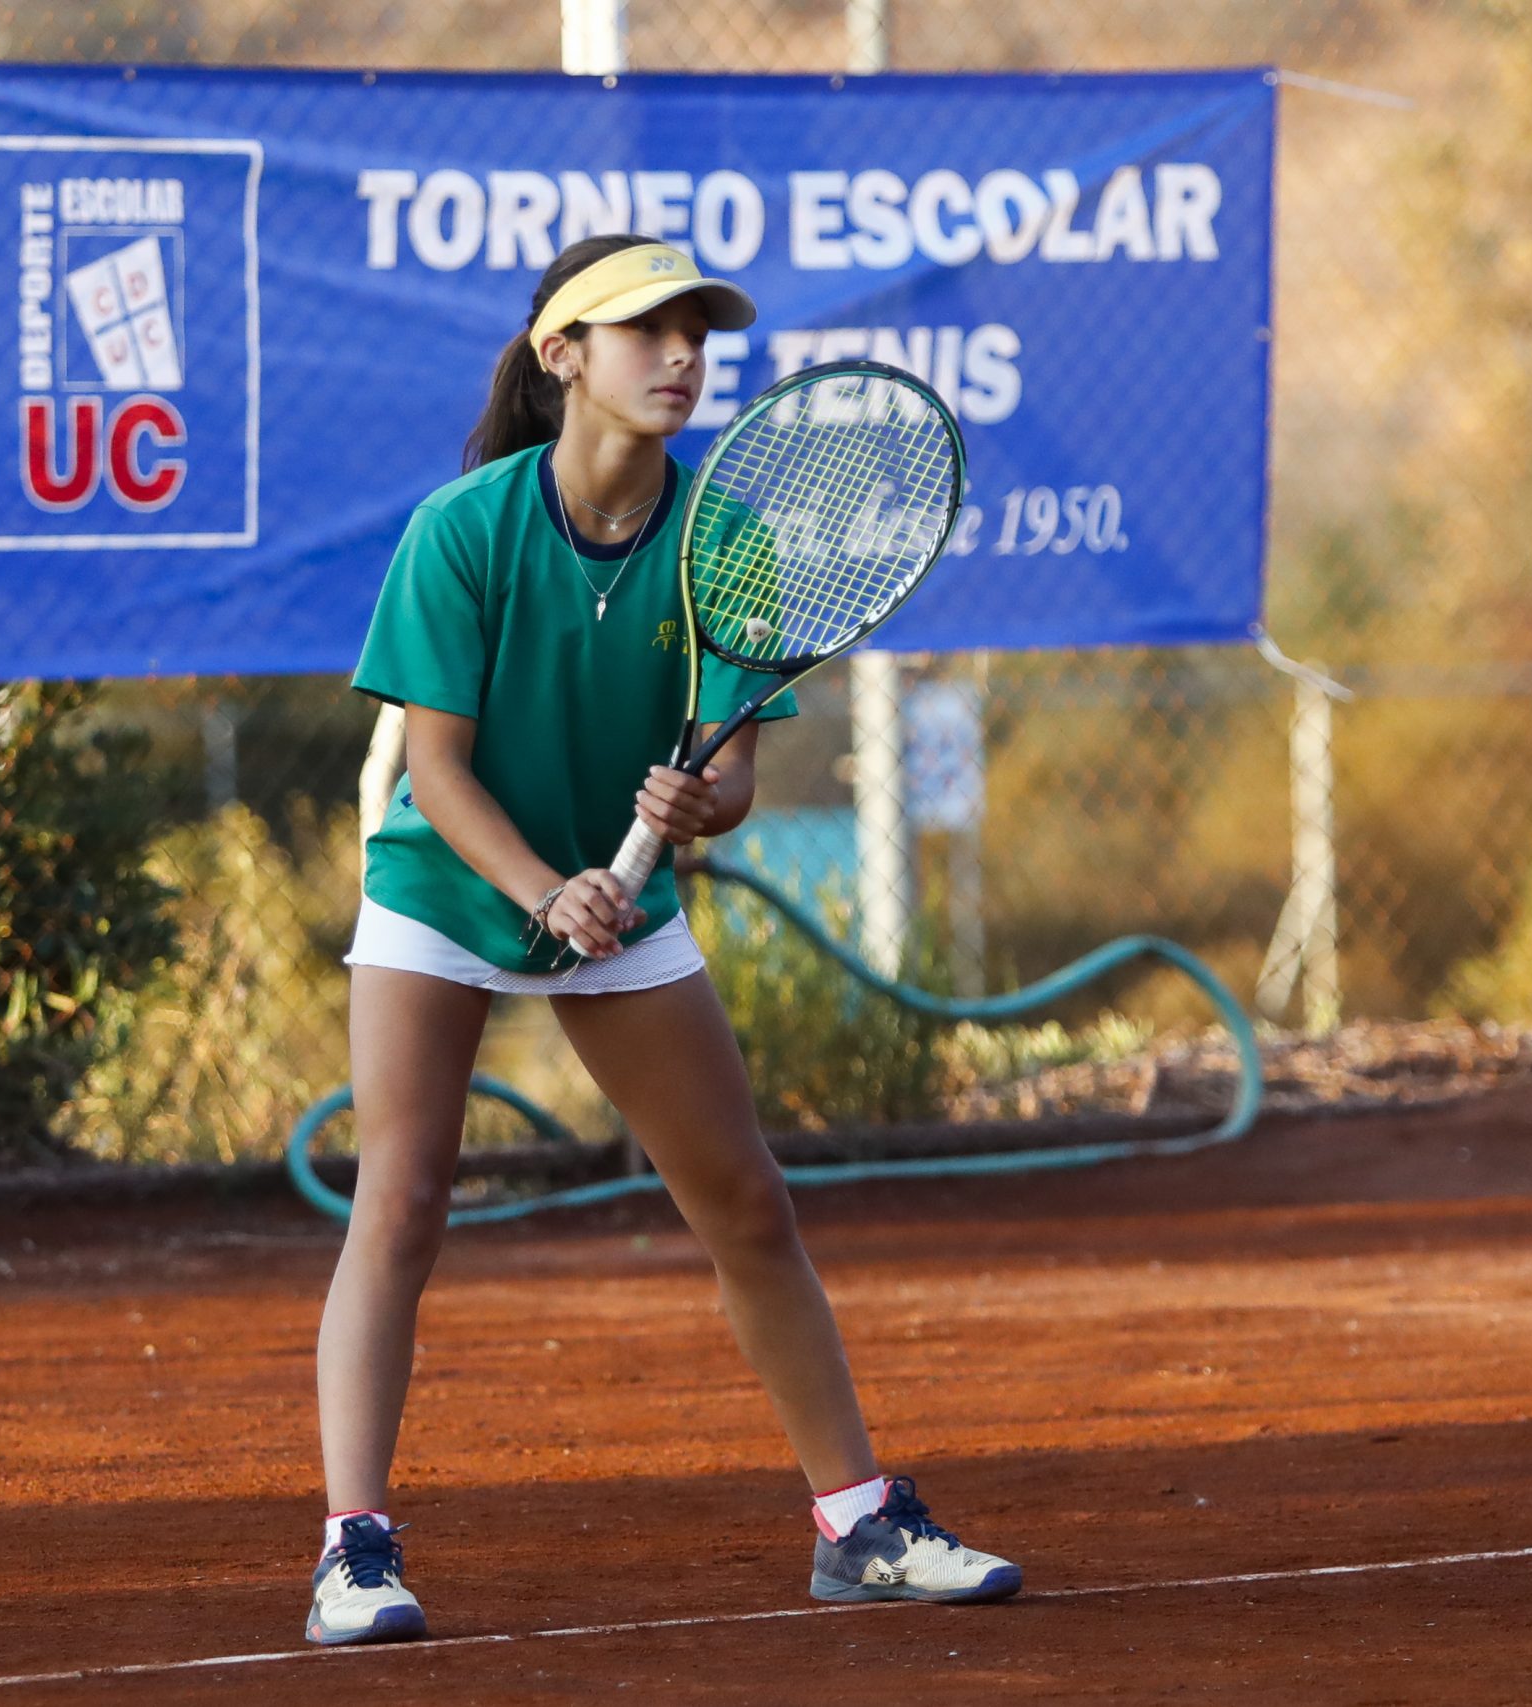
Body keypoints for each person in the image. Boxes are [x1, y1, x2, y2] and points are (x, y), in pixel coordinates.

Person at [306, 234, 1021, 1647]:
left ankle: (857, 1522)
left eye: (696, 332)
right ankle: (355, 1551)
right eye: (645, 331)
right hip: (449, 892)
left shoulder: (726, 538)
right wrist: (541, 891)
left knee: (746, 1201)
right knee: (403, 1197)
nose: (681, 357)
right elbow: (434, 775)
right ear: (561, 354)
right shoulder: (464, 529)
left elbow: (736, 774)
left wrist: (703, 804)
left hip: (622, 905)